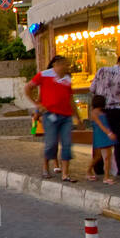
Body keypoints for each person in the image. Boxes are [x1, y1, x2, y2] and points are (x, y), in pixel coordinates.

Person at [25, 54, 78, 182]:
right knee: (51, 142)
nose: (66, 67)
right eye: (64, 64)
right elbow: (28, 87)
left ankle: (65, 173)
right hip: (50, 114)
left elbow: (70, 98)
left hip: (66, 116)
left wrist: (77, 116)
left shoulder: (67, 78)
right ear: (56, 64)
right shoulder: (44, 75)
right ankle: (45, 166)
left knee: (66, 143)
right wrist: (37, 104)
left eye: (67, 65)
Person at [88, 54, 120, 177]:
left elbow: (92, 89)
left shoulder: (101, 70)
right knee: (118, 140)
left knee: (100, 140)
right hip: (116, 111)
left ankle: (98, 167)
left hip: (101, 110)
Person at [86, 94, 118, 184]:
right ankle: (106, 177)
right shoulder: (96, 113)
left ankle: (89, 171)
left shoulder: (96, 112)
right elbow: (101, 125)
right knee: (106, 157)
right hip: (103, 136)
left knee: (98, 157)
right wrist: (109, 133)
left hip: (100, 136)